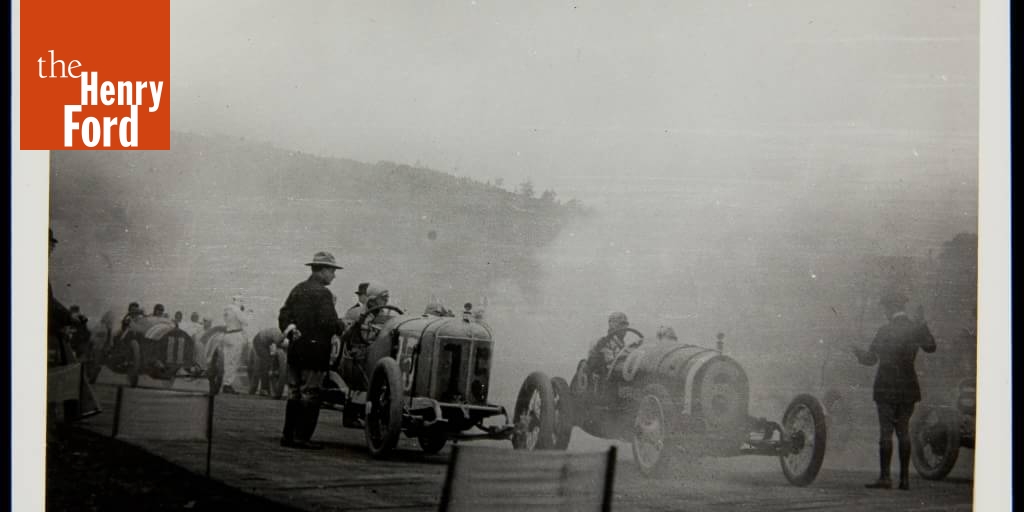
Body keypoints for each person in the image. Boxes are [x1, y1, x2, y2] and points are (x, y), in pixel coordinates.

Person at [852, 290, 937, 491]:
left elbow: (870, 360)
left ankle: (885, 478)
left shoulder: (884, 331)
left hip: (885, 386)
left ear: (890, 308)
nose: (884, 312)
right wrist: (923, 323)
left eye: (885, 308)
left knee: (885, 432)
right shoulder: (915, 329)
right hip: (908, 387)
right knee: (904, 431)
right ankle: (905, 480)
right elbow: (931, 347)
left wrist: (857, 353)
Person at [277, 251, 345, 450]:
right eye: (332, 271)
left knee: (294, 393)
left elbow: (283, 314)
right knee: (311, 394)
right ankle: (302, 438)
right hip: (315, 354)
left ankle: (288, 436)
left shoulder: (298, 289)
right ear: (322, 271)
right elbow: (329, 322)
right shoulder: (323, 293)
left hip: (296, 351)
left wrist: (290, 330)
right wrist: (342, 327)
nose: (333, 275)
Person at [220, 295, 252, 394]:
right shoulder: (236, 310)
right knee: (234, 361)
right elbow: (246, 322)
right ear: (239, 301)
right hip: (235, 335)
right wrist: (249, 313)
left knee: (227, 361)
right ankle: (227, 384)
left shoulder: (227, 309)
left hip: (227, 334)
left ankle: (225, 383)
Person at [249, 327, 286, 397]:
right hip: (259, 342)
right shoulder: (277, 332)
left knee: (269, 361)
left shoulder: (282, 332)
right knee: (266, 363)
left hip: (266, 343)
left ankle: (266, 388)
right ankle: (263, 389)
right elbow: (279, 345)